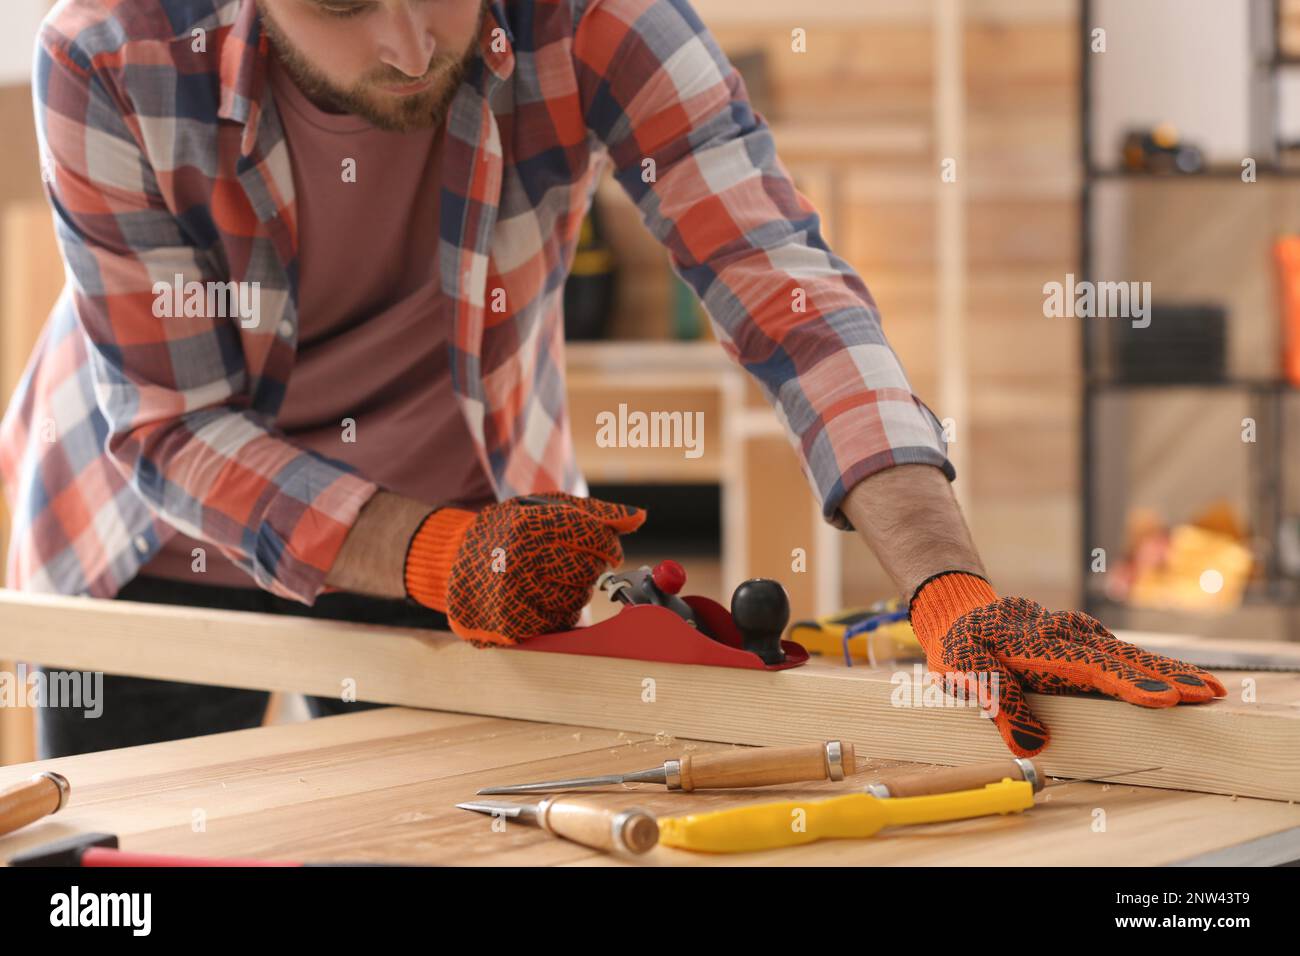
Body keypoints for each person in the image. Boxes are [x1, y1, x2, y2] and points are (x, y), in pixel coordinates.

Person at [0, 0, 1224, 760]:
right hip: (158, 545)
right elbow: (175, 426)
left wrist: (947, 587)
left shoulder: (593, 16)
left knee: (431, 850)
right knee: (111, 883)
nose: (410, 42)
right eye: (341, 5)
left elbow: (781, 283)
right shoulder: (106, 51)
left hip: (466, 517)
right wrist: (441, 559)